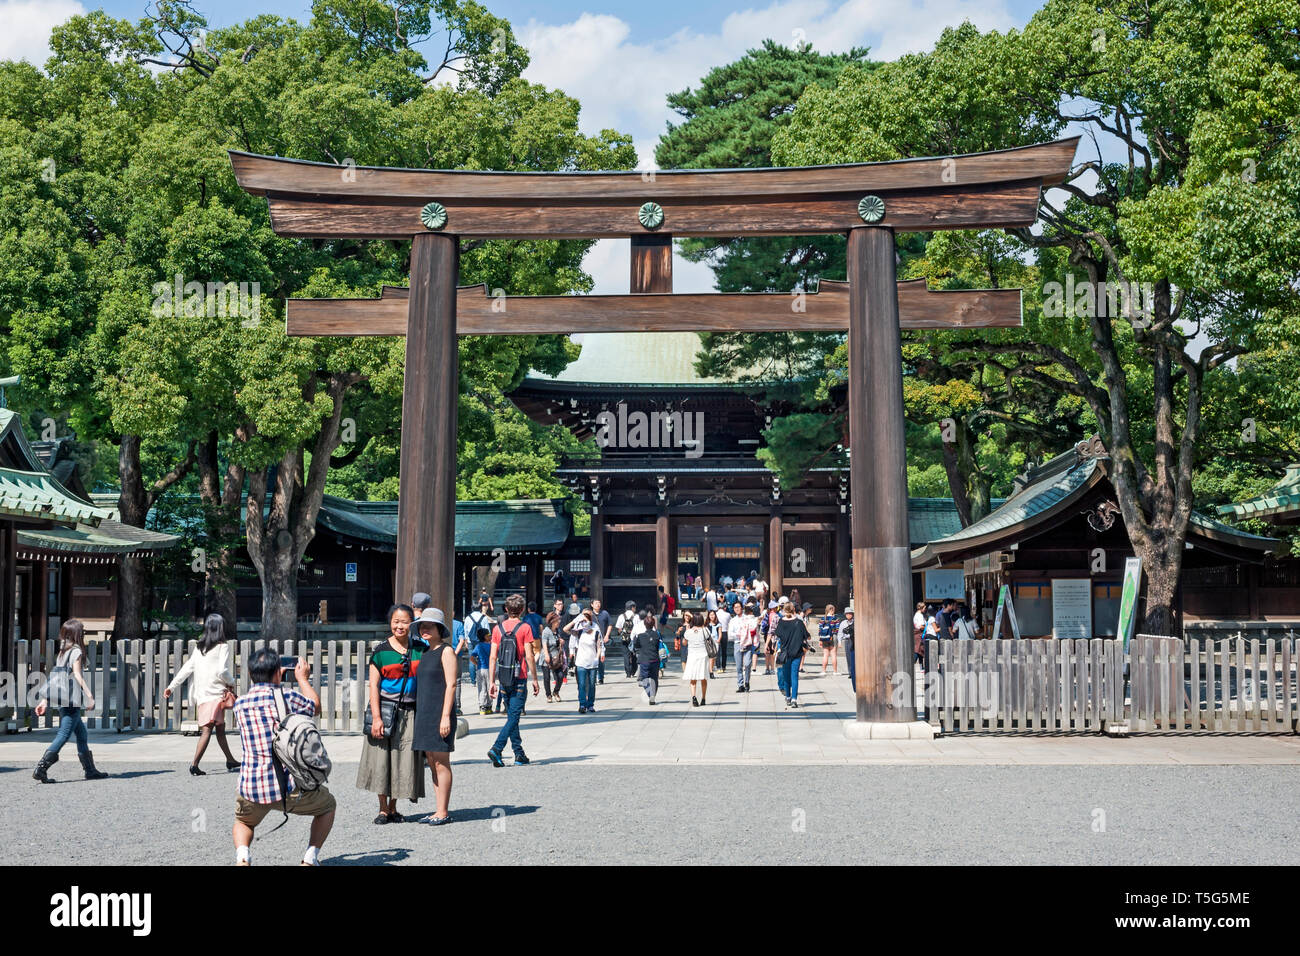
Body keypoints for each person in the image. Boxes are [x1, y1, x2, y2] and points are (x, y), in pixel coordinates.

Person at [232, 649, 334, 866]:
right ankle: (310, 858)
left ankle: (243, 857)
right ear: (278, 673)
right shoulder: (288, 696)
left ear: (251, 674)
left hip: (253, 787)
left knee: (243, 822)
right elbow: (316, 707)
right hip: (290, 787)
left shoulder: (240, 705)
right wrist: (302, 679)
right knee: (328, 806)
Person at [357, 604, 426, 824]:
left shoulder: (420, 649)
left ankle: (394, 807)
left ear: (411, 623)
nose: (400, 625)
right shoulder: (380, 652)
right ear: (390, 623)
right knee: (381, 760)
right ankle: (383, 809)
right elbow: (374, 686)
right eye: (396, 621)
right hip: (386, 710)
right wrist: (376, 718)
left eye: (404, 621)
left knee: (402, 760)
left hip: (410, 712)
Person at [32, 619, 108, 783]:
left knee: (81, 733)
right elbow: (78, 675)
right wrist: (90, 696)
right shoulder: (76, 651)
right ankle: (41, 768)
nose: (84, 633)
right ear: (77, 633)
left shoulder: (63, 650)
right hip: (71, 699)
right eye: (83, 631)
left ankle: (90, 770)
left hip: (63, 698)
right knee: (64, 734)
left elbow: (55, 677)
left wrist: (45, 700)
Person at [164, 613, 240, 775]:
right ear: (220, 628)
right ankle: (194, 764)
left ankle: (230, 760)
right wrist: (232, 682)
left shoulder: (200, 648)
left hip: (203, 695)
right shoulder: (222, 646)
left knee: (220, 728)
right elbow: (222, 670)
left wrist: (171, 686)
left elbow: (187, 669)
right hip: (216, 695)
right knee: (208, 730)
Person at [412, 608, 457, 826]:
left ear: (440, 629)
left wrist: (446, 716)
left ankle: (443, 811)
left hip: (440, 712)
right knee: (431, 761)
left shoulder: (446, 651)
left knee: (441, 761)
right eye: (422, 625)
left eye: (429, 625)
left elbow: (451, 684)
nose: (424, 629)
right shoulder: (426, 652)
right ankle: (438, 809)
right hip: (425, 711)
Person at [486, 593, 539, 767]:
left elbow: (492, 657)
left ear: (507, 609)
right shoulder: (525, 628)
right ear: (522, 610)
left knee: (512, 716)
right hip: (520, 677)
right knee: (514, 716)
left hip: (503, 677)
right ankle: (497, 748)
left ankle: (519, 753)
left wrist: (492, 681)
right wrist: (535, 679)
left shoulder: (497, 629)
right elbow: (529, 656)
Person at [564, 605, 604, 714]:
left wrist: (598, 657)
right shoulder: (579, 630)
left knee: (591, 685)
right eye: (583, 619)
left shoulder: (595, 630)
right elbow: (565, 629)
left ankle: (590, 704)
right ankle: (582, 704)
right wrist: (575, 621)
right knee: (581, 684)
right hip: (581, 661)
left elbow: (599, 646)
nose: (584, 622)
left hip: (592, 662)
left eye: (586, 619)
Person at [775, 602, 808, 707]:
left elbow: (778, 635)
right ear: (794, 609)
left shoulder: (781, 622)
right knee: (794, 676)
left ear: (784, 610)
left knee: (786, 676)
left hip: (785, 652)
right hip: (797, 652)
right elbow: (806, 636)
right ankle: (794, 699)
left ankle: (788, 697)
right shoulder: (799, 622)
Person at [679, 610, 711, 706]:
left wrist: (689, 629)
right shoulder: (705, 630)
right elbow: (709, 640)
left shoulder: (688, 632)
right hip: (703, 656)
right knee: (703, 678)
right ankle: (704, 698)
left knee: (693, 679)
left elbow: (684, 643)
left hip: (692, 656)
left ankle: (694, 697)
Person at [633, 611, 662, 704]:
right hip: (655, 659)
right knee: (655, 678)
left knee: (644, 678)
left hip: (644, 660)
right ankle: (653, 695)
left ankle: (650, 694)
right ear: (653, 624)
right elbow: (658, 646)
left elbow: (636, 646)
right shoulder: (657, 634)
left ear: (644, 624)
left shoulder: (640, 636)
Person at [539, 611, 567, 702]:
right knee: (547, 677)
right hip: (546, 657)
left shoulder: (557, 630)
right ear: (552, 621)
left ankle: (556, 692)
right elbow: (544, 644)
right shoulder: (546, 631)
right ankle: (548, 695)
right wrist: (546, 655)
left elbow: (557, 641)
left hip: (556, 658)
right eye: (557, 620)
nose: (559, 622)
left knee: (560, 675)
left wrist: (561, 641)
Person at [733, 602, 759, 693]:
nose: (737, 609)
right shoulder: (733, 620)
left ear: (742, 608)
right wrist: (739, 635)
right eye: (735, 607)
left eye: (738, 607)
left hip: (747, 643)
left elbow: (754, 628)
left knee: (747, 663)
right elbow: (730, 634)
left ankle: (747, 681)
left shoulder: (747, 618)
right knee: (739, 665)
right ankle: (740, 685)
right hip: (737, 643)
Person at [471, 617, 495, 714]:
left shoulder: (478, 646)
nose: (490, 636)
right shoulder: (490, 646)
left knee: (481, 688)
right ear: (485, 637)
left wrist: (477, 664)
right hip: (489, 669)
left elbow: (472, 657)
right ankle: (489, 706)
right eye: (489, 635)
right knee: (490, 687)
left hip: (480, 669)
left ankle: (482, 707)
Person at [591, 598, 611, 684]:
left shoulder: (605, 613)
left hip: (601, 639)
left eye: (599, 603)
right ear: (592, 605)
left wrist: (607, 635)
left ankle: (601, 677)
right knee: (592, 659)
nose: (598, 604)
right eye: (596, 603)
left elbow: (610, 624)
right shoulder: (590, 614)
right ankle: (593, 677)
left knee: (601, 659)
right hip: (591, 640)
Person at [819, 604, 840, 676]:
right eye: (833, 610)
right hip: (833, 636)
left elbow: (820, 630)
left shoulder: (822, 619)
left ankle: (823, 671)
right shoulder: (835, 618)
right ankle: (835, 671)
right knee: (833, 654)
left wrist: (820, 640)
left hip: (824, 637)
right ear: (831, 610)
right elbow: (837, 629)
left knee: (825, 655)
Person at [839, 606, 855, 692]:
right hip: (847, 640)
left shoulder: (855, 622)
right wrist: (839, 642)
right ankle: (850, 672)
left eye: (850, 614)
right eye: (847, 614)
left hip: (854, 639)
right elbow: (840, 633)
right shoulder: (843, 623)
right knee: (848, 657)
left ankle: (854, 671)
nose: (848, 615)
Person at [704, 609, 722, 679]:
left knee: (714, 658)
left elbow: (720, 633)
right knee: (711, 657)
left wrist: (718, 640)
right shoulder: (706, 624)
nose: (712, 616)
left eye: (713, 614)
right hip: (708, 642)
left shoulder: (718, 624)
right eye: (710, 614)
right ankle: (711, 672)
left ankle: (710, 670)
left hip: (715, 642)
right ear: (708, 616)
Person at [714, 601, 731, 674]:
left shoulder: (715, 614)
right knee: (724, 651)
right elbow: (730, 623)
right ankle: (723, 666)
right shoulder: (727, 614)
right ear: (725, 607)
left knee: (717, 651)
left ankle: (718, 666)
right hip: (724, 632)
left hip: (717, 632)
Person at [913, 601, 927, 666]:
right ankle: (913, 663)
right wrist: (926, 627)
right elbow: (921, 626)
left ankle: (921, 666)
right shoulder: (920, 615)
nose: (925, 609)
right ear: (921, 608)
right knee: (917, 650)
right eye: (924, 608)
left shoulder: (916, 615)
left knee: (920, 650)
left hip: (917, 634)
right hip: (919, 634)